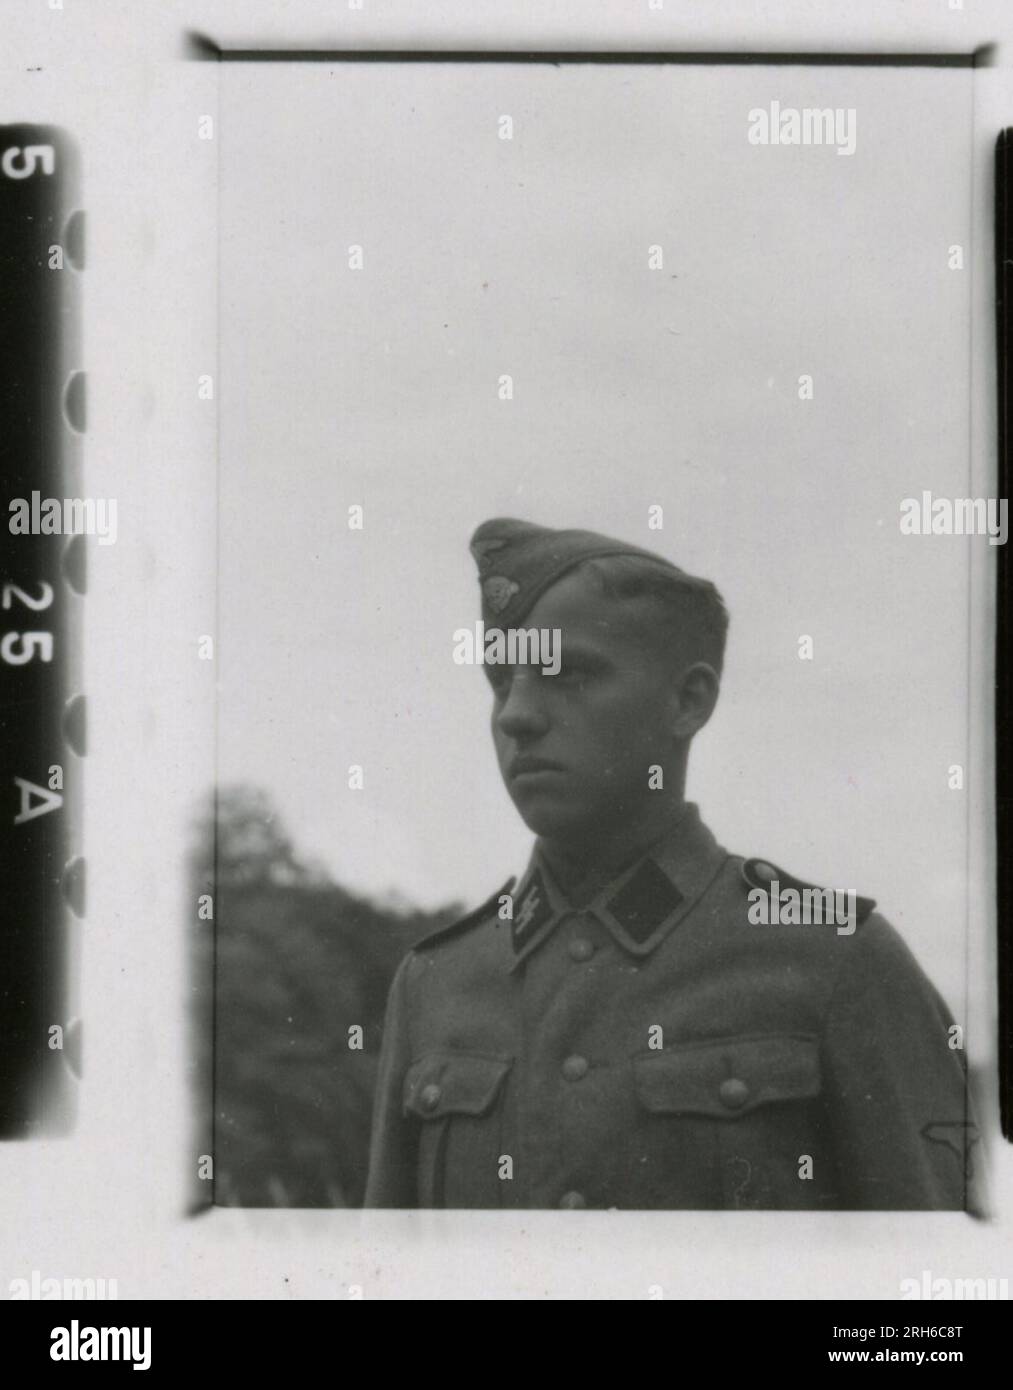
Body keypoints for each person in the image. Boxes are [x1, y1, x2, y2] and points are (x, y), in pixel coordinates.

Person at [364, 518, 981, 1210]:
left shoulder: (835, 960)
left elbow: (929, 1270)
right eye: (502, 681)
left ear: (689, 701)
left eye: (568, 674)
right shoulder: (436, 983)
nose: (516, 715)